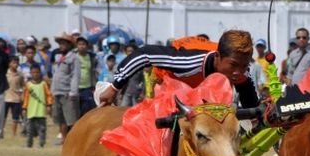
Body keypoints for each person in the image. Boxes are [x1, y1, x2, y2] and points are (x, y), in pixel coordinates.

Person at [99, 30, 260, 109]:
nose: (239, 72)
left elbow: (251, 104)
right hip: (165, 79)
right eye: (233, 65)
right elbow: (145, 54)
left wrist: (257, 115)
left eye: (244, 66)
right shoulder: (188, 63)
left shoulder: (239, 69)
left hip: (199, 85)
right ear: (217, 57)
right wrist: (114, 88)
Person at [50, 32, 80, 144]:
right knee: (60, 118)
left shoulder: (74, 58)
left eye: (63, 43)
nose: (61, 46)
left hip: (67, 92)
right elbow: (55, 74)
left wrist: (73, 92)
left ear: (69, 45)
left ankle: (75, 141)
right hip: (57, 91)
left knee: (71, 119)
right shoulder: (58, 57)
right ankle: (64, 139)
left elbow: (75, 75)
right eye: (60, 43)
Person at [22, 64, 53, 148]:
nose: (35, 74)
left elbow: (49, 95)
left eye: (37, 72)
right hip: (31, 111)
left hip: (41, 111)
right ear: (31, 73)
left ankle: (41, 144)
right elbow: (25, 97)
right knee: (29, 130)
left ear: (40, 73)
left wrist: (49, 105)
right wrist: (24, 108)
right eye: (33, 72)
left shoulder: (43, 84)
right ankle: (29, 144)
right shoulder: (28, 85)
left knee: (42, 129)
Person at [75, 37, 96, 116]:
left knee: (88, 109)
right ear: (77, 46)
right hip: (75, 88)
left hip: (87, 87)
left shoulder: (91, 57)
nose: (81, 46)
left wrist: (94, 86)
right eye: (79, 44)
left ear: (87, 46)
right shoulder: (73, 57)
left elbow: (93, 72)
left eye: (83, 44)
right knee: (76, 110)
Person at [5, 56, 25, 137]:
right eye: (13, 63)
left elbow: (23, 85)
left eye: (17, 63)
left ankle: (14, 134)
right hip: (6, 98)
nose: (15, 64)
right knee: (3, 116)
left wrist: (22, 94)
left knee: (15, 117)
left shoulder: (20, 75)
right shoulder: (5, 73)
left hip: (16, 98)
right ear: (9, 64)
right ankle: (0, 132)